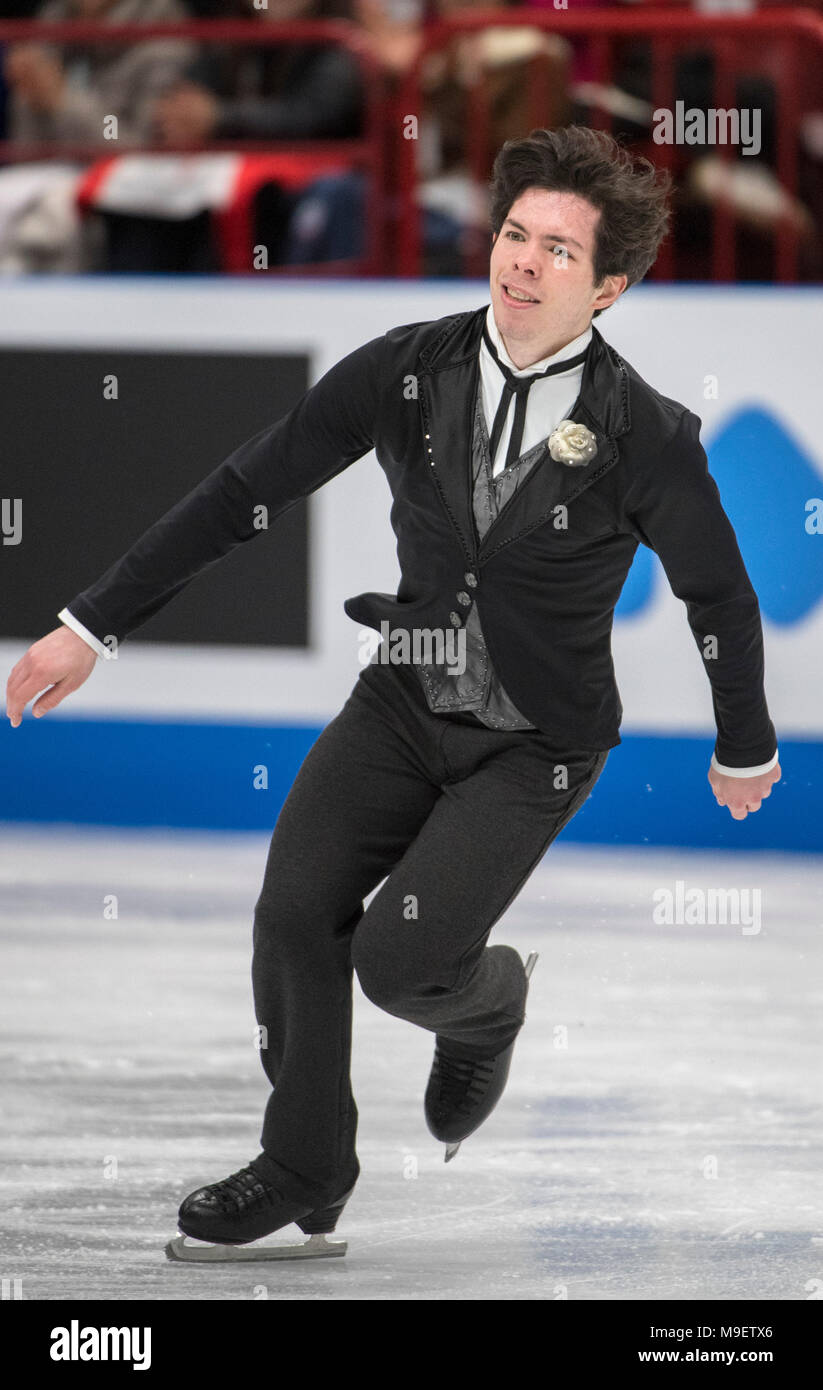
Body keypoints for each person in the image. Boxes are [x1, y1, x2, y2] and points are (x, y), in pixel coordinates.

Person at [5, 125, 781, 1259]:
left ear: (607, 287)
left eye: (557, 251)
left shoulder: (643, 434)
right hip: (402, 703)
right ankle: (306, 1162)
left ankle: (488, 1004)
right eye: (514, 233)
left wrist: (744, 744)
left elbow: (717, 594)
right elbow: (242, 492)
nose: (520, 260)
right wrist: (91, 623)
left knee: (399, 961)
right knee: (291, 913)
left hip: (533, 745)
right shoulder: (405, 369)